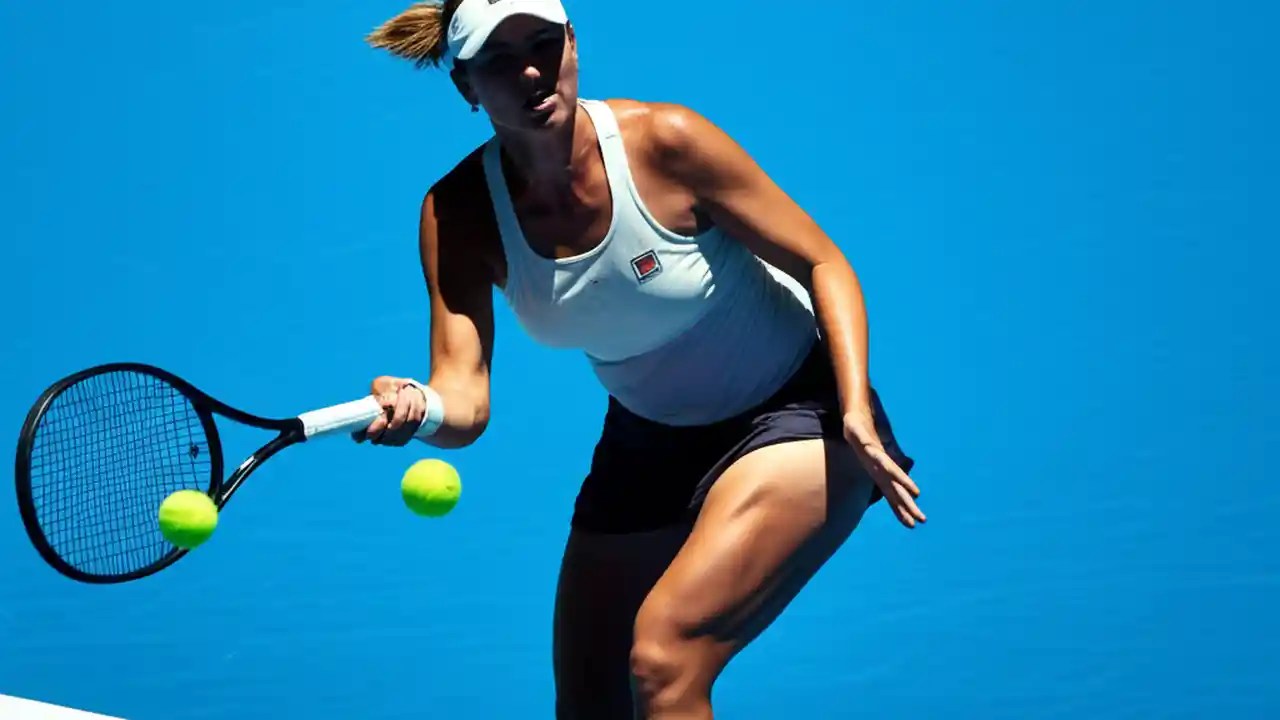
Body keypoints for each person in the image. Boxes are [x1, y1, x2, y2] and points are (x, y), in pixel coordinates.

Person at [356, 1, 927, 717]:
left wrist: (854, 411)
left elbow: (823, 262)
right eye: (500, 60)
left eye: (543, 44)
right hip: (648, 443)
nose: (531, 71)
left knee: (665, 660)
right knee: (588, 700)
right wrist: (421, 408)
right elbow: (463, 400)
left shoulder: (667, 143)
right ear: (466, 84)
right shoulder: (458, 213)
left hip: (798, 409)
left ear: (573, 44)